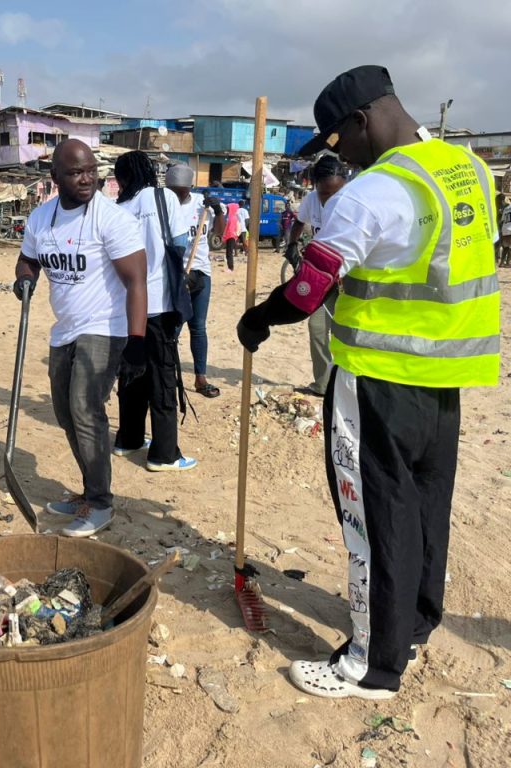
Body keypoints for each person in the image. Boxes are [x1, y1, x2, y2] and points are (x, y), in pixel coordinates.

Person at [237, 65, 500, 700]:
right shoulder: (470, 170)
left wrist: (257, 319)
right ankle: (412, 623)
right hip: (444, 378)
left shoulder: (370, 193)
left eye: (337, 141)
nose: (340, 156)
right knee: (425, 507)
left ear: (360, 122)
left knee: (375, 514)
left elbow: (307, 291)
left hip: (376, 381)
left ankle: (372, 665)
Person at [14, 139, 148, 537]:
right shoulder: (41, 218)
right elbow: (28, 259)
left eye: (91, 170)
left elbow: (136, 281)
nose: (87, 178)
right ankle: (90, 490)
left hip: (105, 327)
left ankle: (101, 503)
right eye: (75, 172)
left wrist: (137, 341)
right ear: (55, 177)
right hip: (64, 329)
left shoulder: (111, 219)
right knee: (64, 412)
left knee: (85, 408)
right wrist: (24, 278)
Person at [110, 152, 197, 472]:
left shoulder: (116, 208)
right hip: (159, 302)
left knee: (131, 371)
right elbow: (178, 245)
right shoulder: (163, 199)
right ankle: (163, 453)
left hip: (126, 307)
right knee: (162, 376)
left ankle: (128, 438)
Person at [285, 155, 348, 396]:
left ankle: (345, 388)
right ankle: (322, 384)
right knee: (317, 328)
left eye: (336, 194)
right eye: (325, 194)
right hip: (323, 278)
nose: (331, 200)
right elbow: (299, 223)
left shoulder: (353, 200)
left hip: (350, 279)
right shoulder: (311, 200)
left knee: (345, 334)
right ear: (315, 186)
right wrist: (292, 244)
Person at [166, 164, 225, 399]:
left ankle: (201, 378)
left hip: (200, 271)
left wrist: (218, 210)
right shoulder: (163, 204)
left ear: (190, 187)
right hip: (176, 274)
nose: (178, 195)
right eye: (174, 190)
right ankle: (169, 376)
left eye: (182, 191)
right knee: (174, 328)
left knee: (198, 327)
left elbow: (218, 233)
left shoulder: (202, 203)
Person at [222, 201, 240, 272]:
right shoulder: (232, 217)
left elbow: (229, 229)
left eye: (228, 208)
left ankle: (230, 268)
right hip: (231, 236)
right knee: (228, 252)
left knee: (229, 253)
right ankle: (230, 267)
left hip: (231, 236)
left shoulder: (232, 218)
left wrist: (225, 236)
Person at [499, 196, 511, 268]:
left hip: (505, 229)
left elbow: (502, 220)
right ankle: (508, 263)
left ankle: (502, 263)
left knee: (506, 247)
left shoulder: (506, 209)